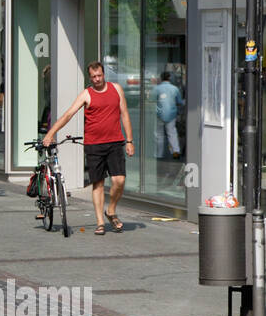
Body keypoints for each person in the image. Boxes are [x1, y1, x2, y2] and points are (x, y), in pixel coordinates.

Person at [43, 61, 135, 236]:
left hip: (115, 142)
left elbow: (124, 114)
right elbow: (68, 114)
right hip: (94, 145)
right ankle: (100, 222)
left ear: (104, 74)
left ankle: (111, 210)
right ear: (90, 77)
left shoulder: (116, 89)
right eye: (93, 77)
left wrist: (129, 141)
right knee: (98, 183)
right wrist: (51, 133)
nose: (97, 79)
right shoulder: (86, 94)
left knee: (119, 180)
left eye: (99, 75)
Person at [152, 71, 184, 160]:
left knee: (159, 134)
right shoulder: (175, 89)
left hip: (160, 114)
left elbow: (151, 99)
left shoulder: (157, 88)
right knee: (172, 133)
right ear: (170, 78)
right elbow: (180, 102)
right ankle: (176, 151)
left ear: (161, 78)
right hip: (171, 115)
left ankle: (159, 154)